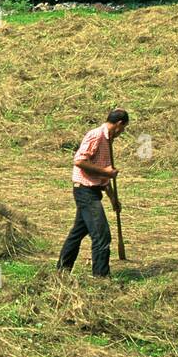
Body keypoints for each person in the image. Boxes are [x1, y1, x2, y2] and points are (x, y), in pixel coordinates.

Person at [57, 109, 129, 277]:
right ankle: (101, 277)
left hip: (94, 190)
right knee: (101, 235)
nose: (122, 132)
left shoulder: (108, 140)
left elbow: (104, 178)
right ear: (119, 124)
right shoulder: (96, 135)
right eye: (124, 128)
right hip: (84, 190)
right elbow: (80, 161)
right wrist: (106, 171)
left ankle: (61, 271)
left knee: (78, 233)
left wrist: (113, 199)